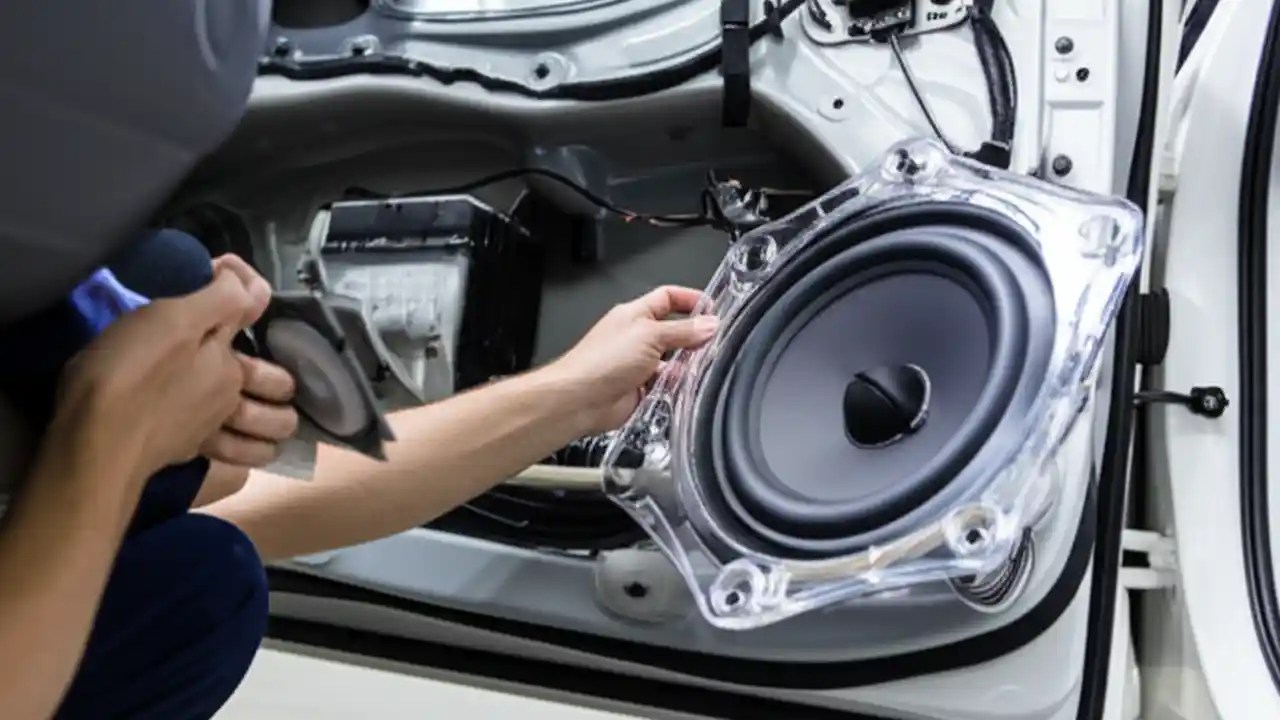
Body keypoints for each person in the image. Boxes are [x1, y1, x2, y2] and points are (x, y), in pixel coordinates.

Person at [0, 243, 716, 719]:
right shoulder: (175, 589)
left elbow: (271, 496)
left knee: (166, 270)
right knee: (203, 590)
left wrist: (574, 394)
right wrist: (108, 435)